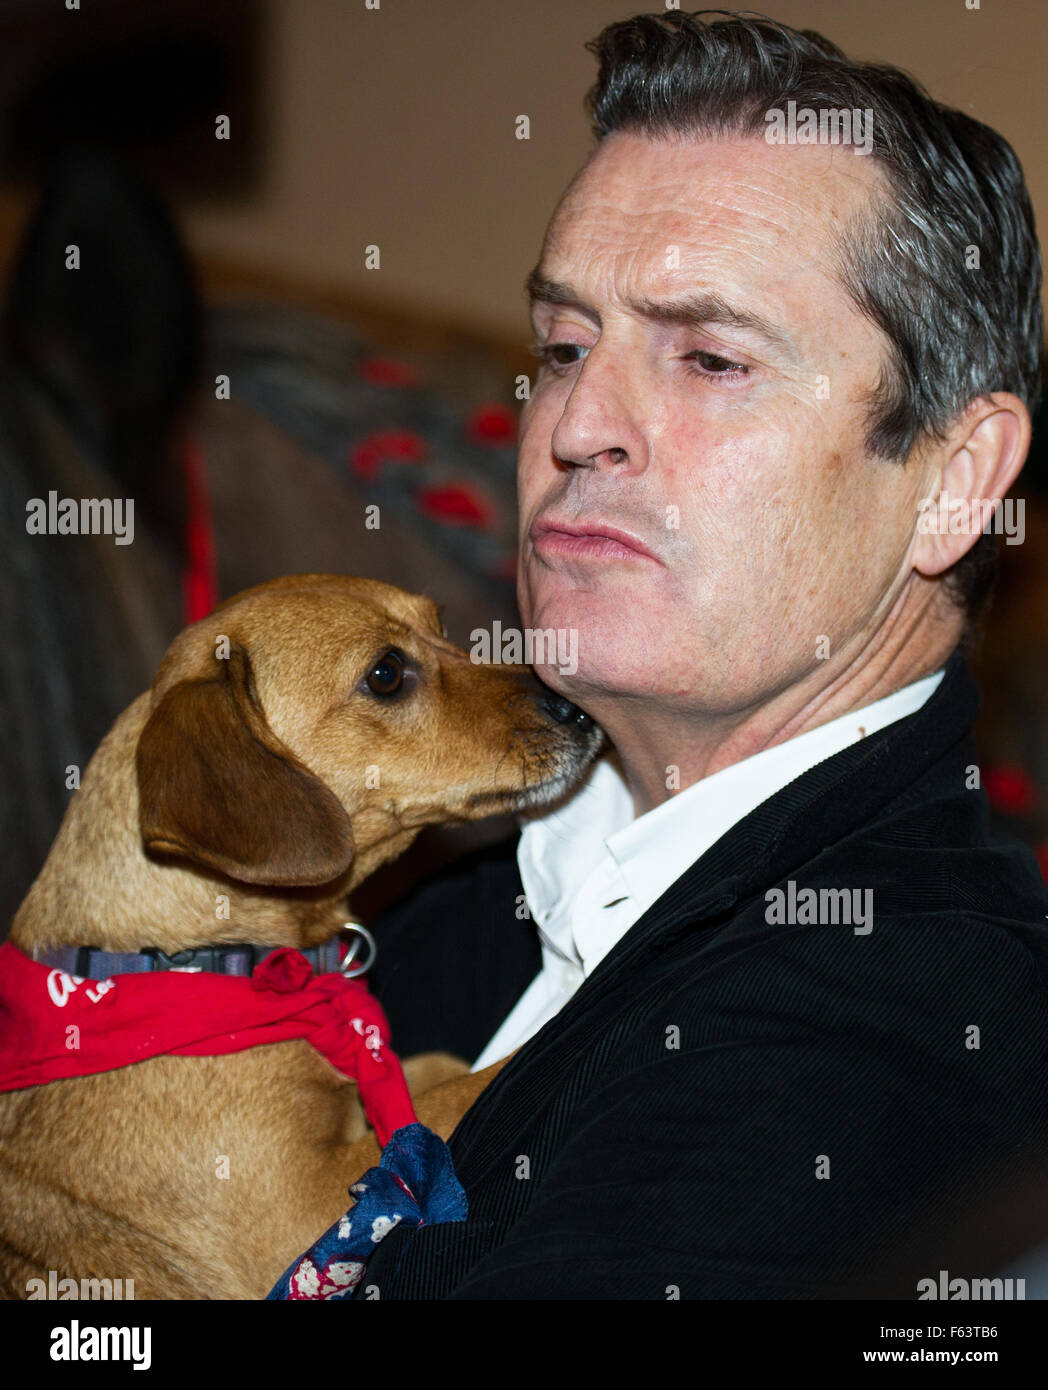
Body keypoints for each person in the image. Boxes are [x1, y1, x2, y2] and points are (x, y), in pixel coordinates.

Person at [361, 10, 1048, 1298]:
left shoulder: (890, 1017)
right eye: (564, 347)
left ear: (955, 485)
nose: (579, 424)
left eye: (711, 359)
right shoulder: (439, 889)